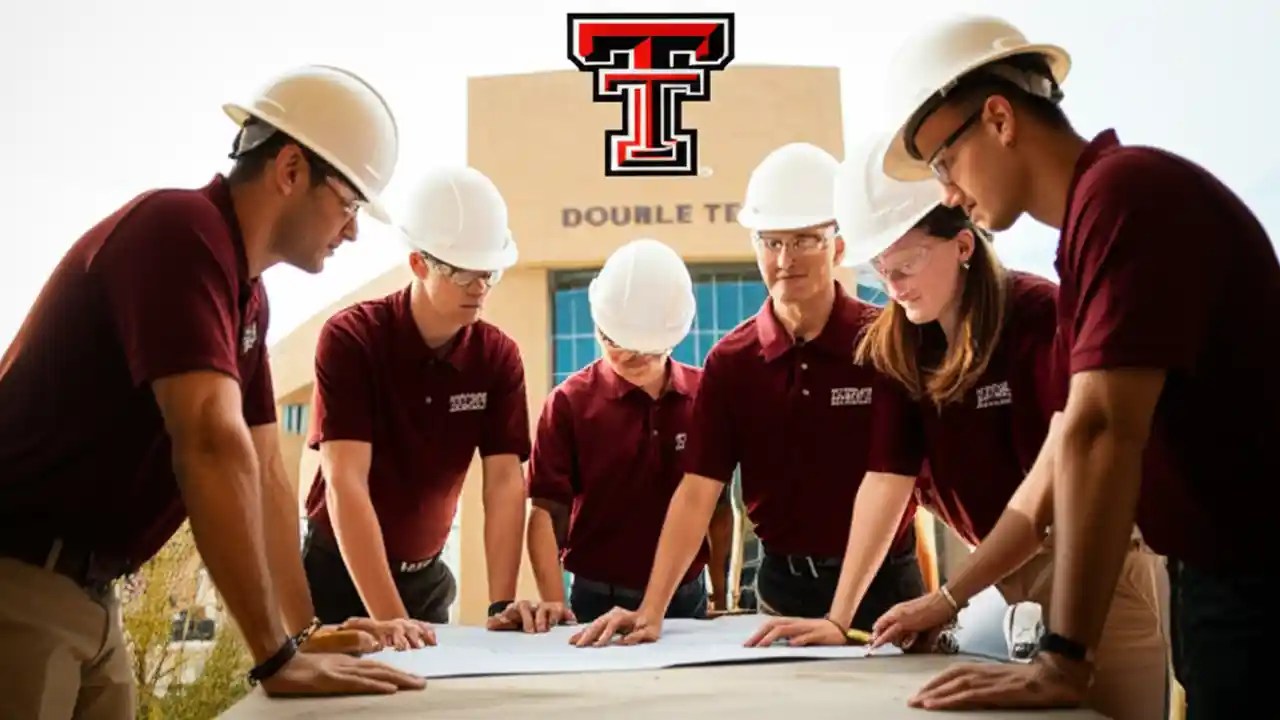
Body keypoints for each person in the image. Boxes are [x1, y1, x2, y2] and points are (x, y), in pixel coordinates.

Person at [875, 14, 1275, 717]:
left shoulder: (1127, 197)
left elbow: (1100, 432)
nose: (948, 194)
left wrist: (1063, 661)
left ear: (999, 118)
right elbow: (1059, 458)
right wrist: (949, 598)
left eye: (944, 162)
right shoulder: (1091, 227)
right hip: (1215, 576)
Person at [0, 64, 427, 718]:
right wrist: (275, 659)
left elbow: (266, 471)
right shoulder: (177, 230)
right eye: (348, 204)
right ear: (290, 169)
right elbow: (210, 440)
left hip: (93, 595)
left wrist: (300, 635)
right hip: (22, 584)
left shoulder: (246, 296)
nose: (351, 231)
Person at [747, 134, 1168, 720]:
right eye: (882, 271)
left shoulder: (1037, 317)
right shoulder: (901, 343)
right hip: (1000, 572)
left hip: (1095, 561)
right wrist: (838, 617)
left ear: (963, 244)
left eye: (907, 265)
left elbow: (1047, 496)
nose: (894, 287)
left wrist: (948, 597)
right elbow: (887, 479)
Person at [568, 142, 927, 648]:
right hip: (782, 591)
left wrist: (839, 618)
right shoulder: (732, 363)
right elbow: (698, 491)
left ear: (839, 247)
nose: (785, 259)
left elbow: (890, 480)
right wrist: (651, 609)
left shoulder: (885, 342)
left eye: (805, 240)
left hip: (883, 591)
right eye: (771, 241)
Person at [301, 165, 553, 639]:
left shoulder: (497, 357)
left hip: (427, 580)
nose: (479, 288)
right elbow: (345, 481)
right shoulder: (352, 340)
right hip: (335, 575)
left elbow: (504, 482)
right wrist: (390, 618)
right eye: (462, 272)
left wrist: (501, 604)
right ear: (418, 263)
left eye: (489, 272)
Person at [525, 238, 734, 625]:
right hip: (595, 597)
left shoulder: (704, 397)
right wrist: (554, 603)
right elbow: (546, 513)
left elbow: (718, 508)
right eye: (612, 341)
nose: (624, 356)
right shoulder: (569, 403)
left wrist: (721, 596)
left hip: (685, 596)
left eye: (641, 349)